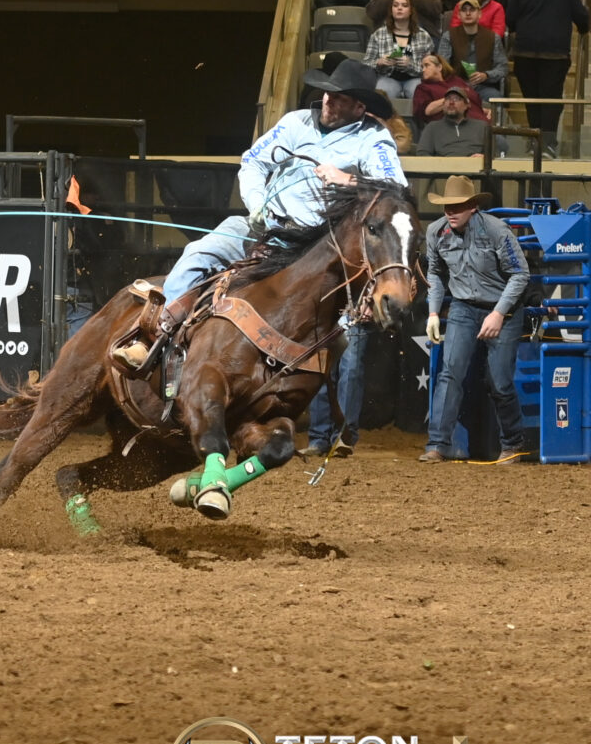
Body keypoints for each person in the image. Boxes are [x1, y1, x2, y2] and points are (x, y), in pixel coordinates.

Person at [112, 58, 406, 373]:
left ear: (360, 107)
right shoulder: (295, 123)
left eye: (339, 98)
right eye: (327, 94)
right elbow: (253, 161)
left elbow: (396, 188)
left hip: (317, 246)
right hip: (265, 228)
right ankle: (154, 335)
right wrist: (257, 205)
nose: (328, 101)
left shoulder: (373, 137)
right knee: (198, 252)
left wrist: (346, 179)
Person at [421, 175, 529, 463]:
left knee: (499, 381)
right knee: (450, 373)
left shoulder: (496, 230)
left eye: (457, 206)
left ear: (472, 207)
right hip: (463, 307)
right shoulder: (436, 232)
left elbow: (520, 274)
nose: (450, 212)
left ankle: (513, 444)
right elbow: (435, 272)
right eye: (447, 206)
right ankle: (437, 444)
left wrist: (498, 313)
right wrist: (433, 311)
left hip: (504, 309)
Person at [506, 0, 590, 150]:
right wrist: (584, 29)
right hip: (555, 53)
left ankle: (534, 140)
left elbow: (510, 18)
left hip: (525, 51)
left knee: (531, 99)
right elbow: (580, 15)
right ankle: (548, 143)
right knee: (551, 99)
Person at [414, 84, 486, 155]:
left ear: (466, 105)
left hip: (474, 162)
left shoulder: (481, 127)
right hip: (443, 162)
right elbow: (422, 154)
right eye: (448, 99)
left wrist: (483, 158)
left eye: (456, 99)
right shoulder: (432, 127)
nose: (451, 102)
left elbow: (491, 153)